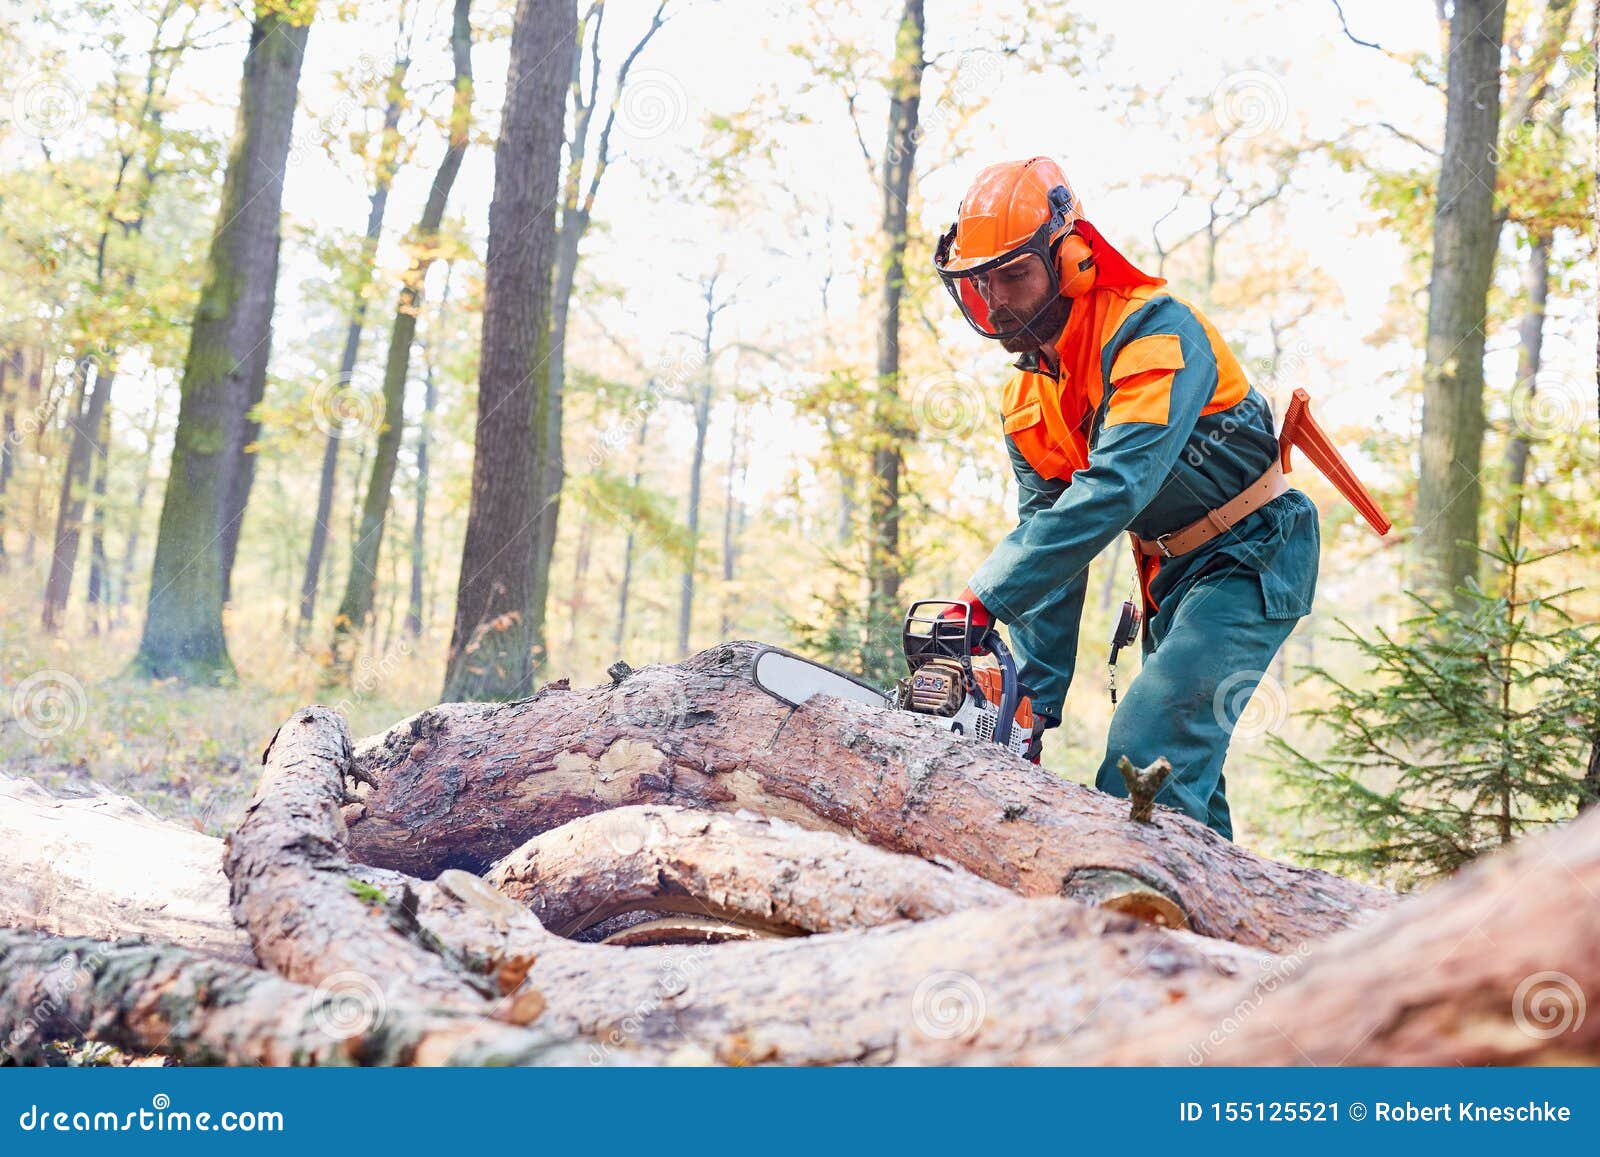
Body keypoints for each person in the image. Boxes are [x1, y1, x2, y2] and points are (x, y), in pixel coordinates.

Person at [931, 156, 1319, 840]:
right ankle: (1219, 933)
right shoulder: (1027, 396)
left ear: (1072, 256)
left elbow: (1117, 486)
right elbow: (1051, 536)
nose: (997, 302)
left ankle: (1120, 927)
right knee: (1186, 776)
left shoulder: (1154, 332)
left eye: (1014, 276)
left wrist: (985, 596)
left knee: (1146, 747)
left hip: (1253, 553)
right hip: (1169, 575)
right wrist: (1032, 703)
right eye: (982, 284)